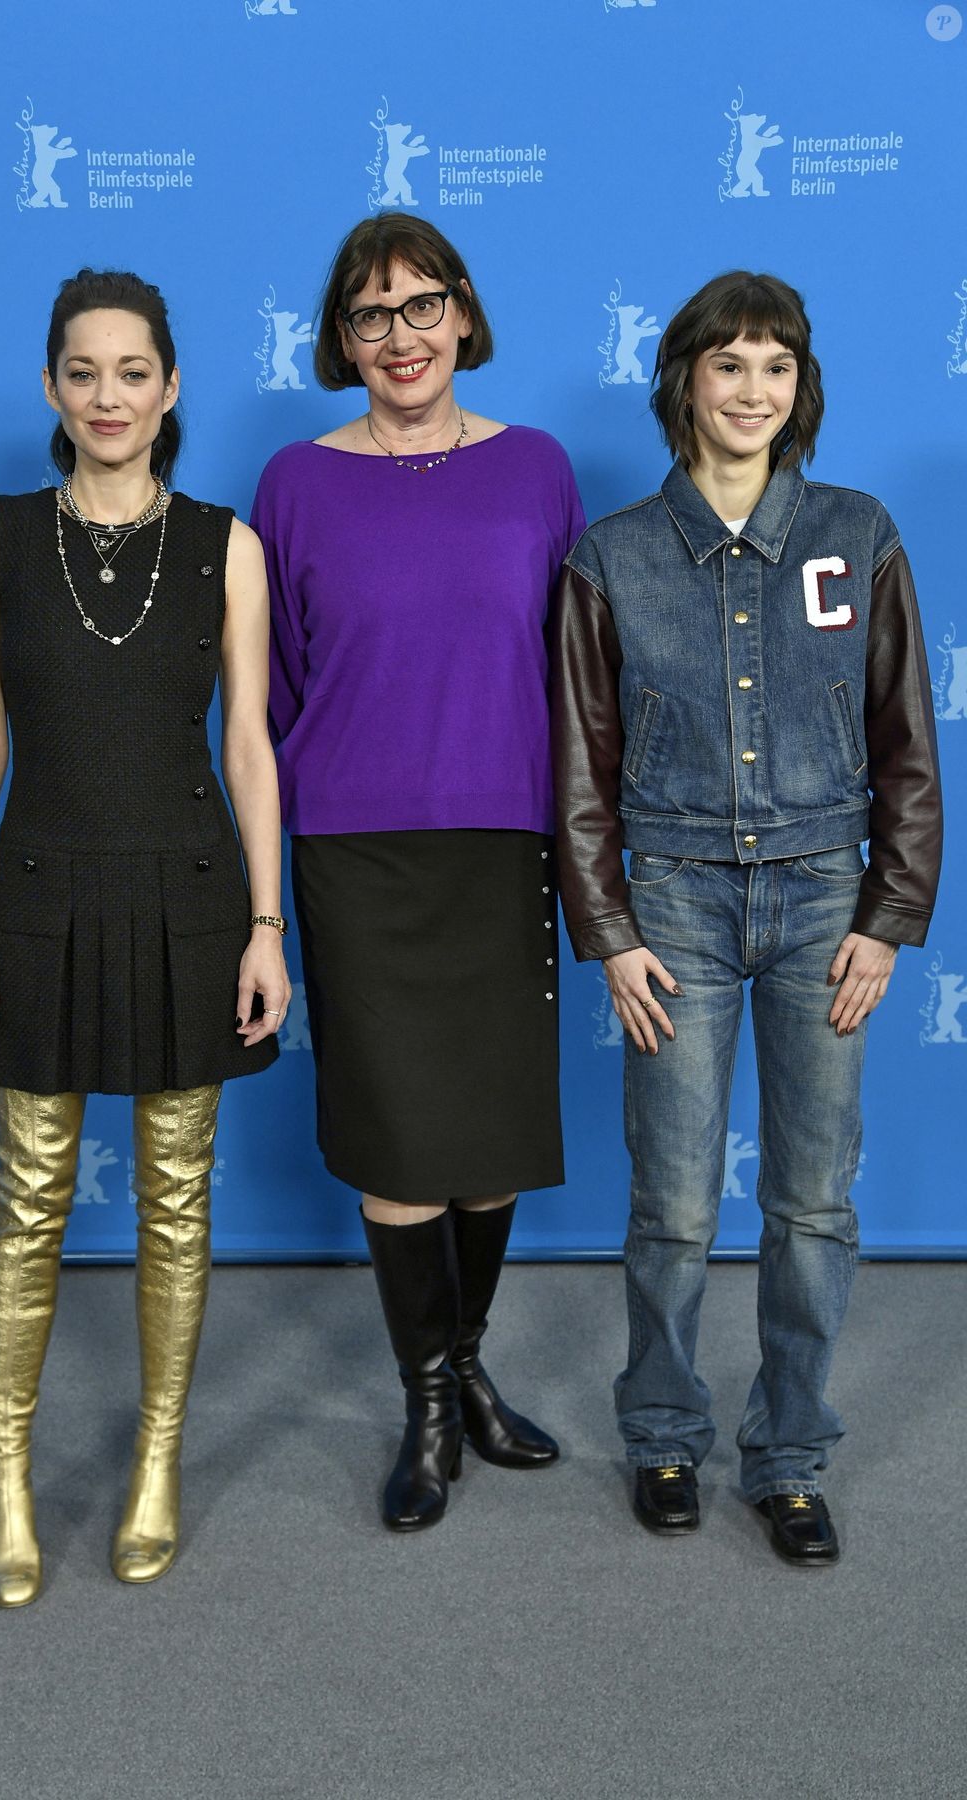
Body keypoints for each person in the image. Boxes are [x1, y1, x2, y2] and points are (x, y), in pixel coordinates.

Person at [552, 271, 942, 1563]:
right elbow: (581, 772)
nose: (751, 391)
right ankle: (664, 1431)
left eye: (775, 367)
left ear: (801, 388)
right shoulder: (609, 558)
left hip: (828, 898)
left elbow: (907, 749)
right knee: (671, 1201)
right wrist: (609, 931)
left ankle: (788, 1456)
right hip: (673, 910)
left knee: (813, 1202)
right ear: (685, 383)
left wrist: (888, 915)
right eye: (728, 365)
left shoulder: (859, 534)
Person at [0, 268, 289, 1607]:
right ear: (50, 386)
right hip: (36, 889)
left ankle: (158, 1462)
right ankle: (9, 1476)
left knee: (176, 1195)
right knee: (27, 1200)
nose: (108, 397)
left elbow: (248, 747)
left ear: (171, 385)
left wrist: (265, 926)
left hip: (190, 893)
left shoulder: (227, 544)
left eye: (132, 372)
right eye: (83, 373)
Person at [252, 215, 585, 1531]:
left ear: (464, 312)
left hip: (506, 838)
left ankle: (471, 1363)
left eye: (421, 305)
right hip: (357, 850)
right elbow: (271, 695)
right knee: (400, 1141)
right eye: (370, 315)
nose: (400, 336)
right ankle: (428, 1408)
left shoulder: (540, 471)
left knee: (490, 1140)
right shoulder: (294, 482)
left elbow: (575, 676)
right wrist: (269, 892)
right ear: (342, 340)